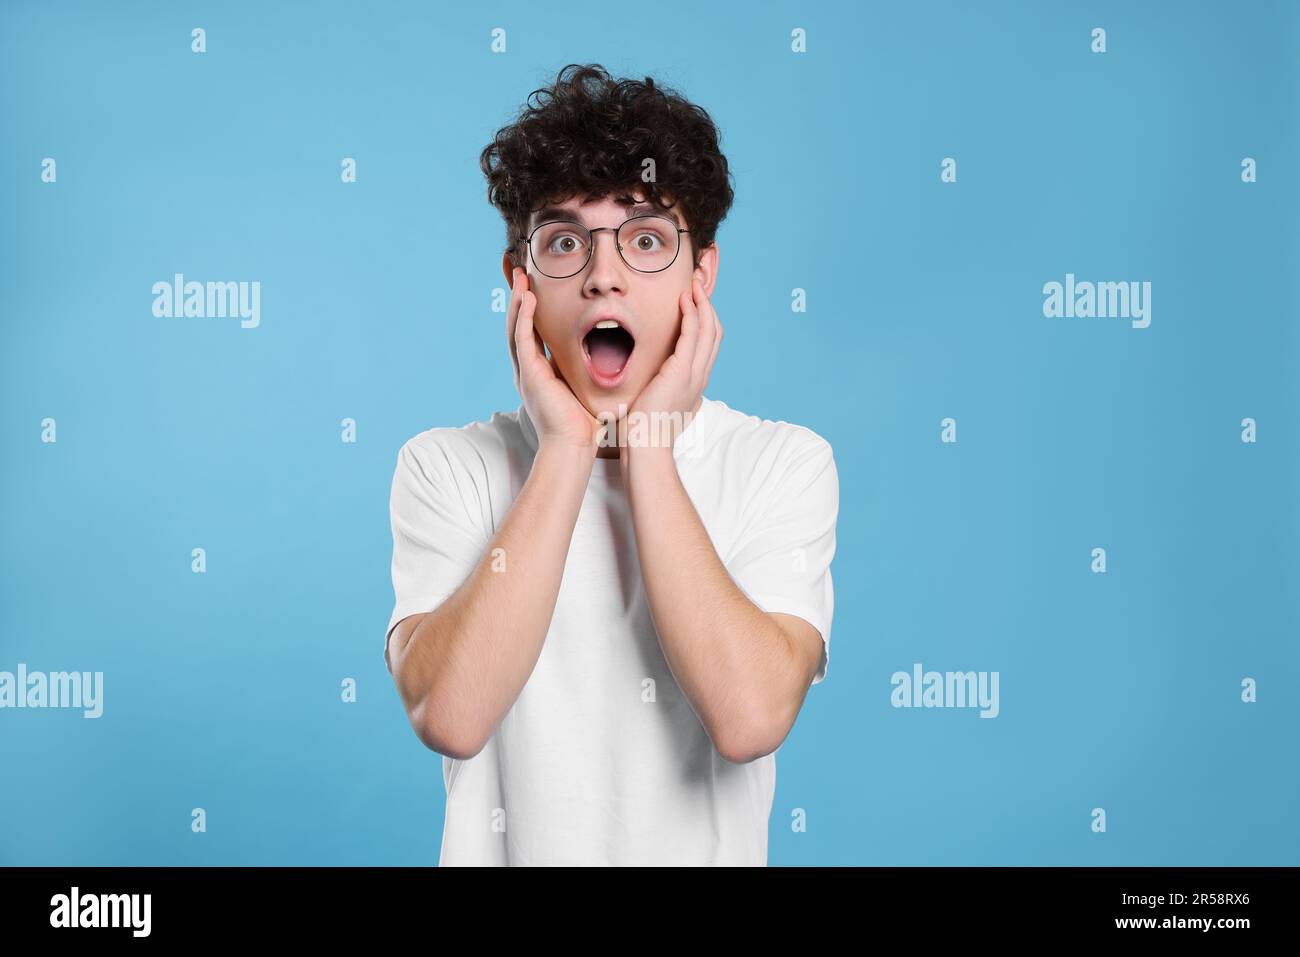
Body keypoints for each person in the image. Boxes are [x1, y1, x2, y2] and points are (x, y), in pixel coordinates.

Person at [383, 63, 839, 866]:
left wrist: (649, 446)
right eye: (565, 242)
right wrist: (566, 444)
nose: (604, 273)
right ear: (519, 284)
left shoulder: (782, 463)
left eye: (647, 241)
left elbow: (750, 717)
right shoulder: (446, 467)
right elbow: (449, 714)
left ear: (702, 278)